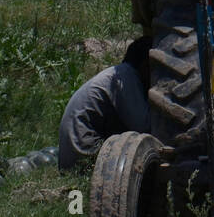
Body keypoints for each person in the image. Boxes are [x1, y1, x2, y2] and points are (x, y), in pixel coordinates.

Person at [58, 36, 152, 171]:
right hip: (84, 153)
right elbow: (143, 126)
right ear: (145, 64)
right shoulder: (126, 77)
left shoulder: (120, 74)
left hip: (74, 151)